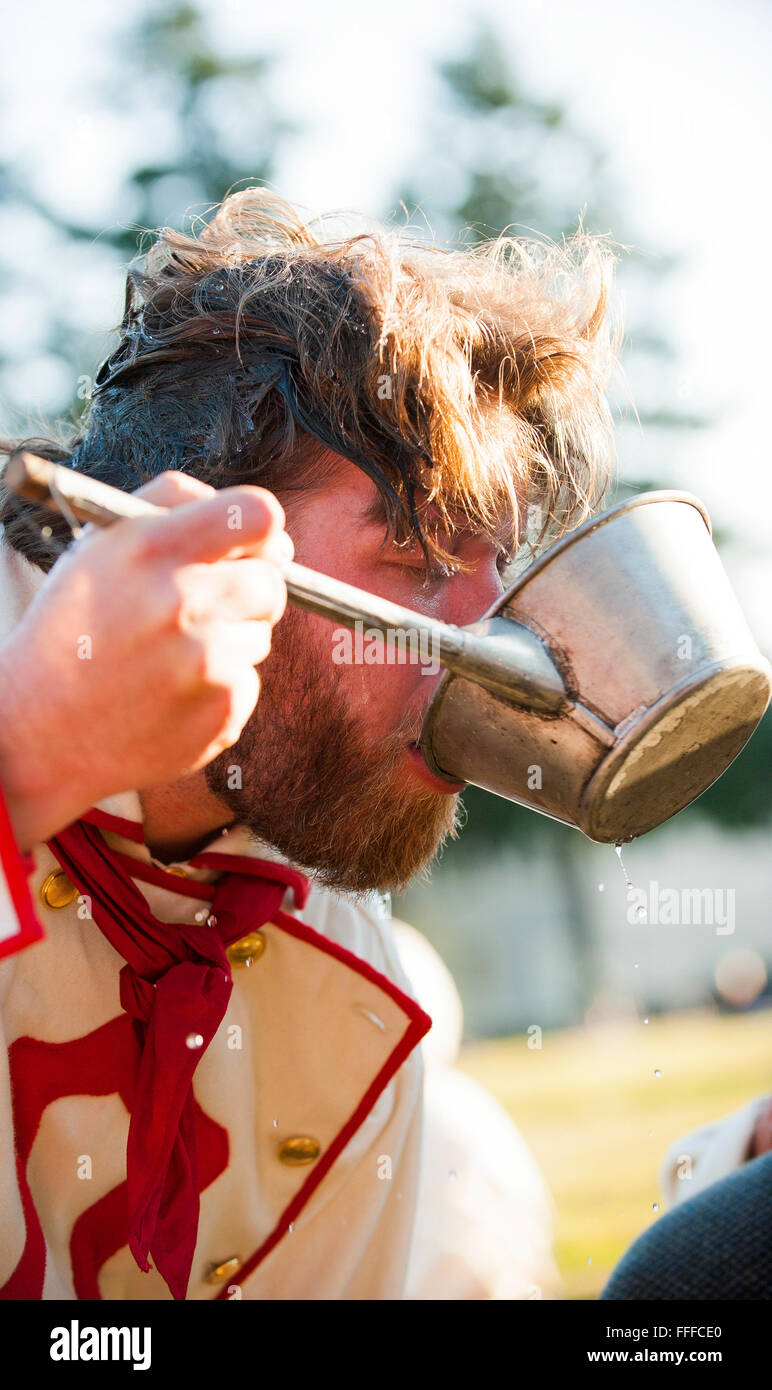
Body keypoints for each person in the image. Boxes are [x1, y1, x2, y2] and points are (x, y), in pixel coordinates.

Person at [0, 187, 617, 1300]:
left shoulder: (361, 1001)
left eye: (497, 579)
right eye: (419, 555)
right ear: (189, 533)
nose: (491, 660)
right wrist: (27, 759)